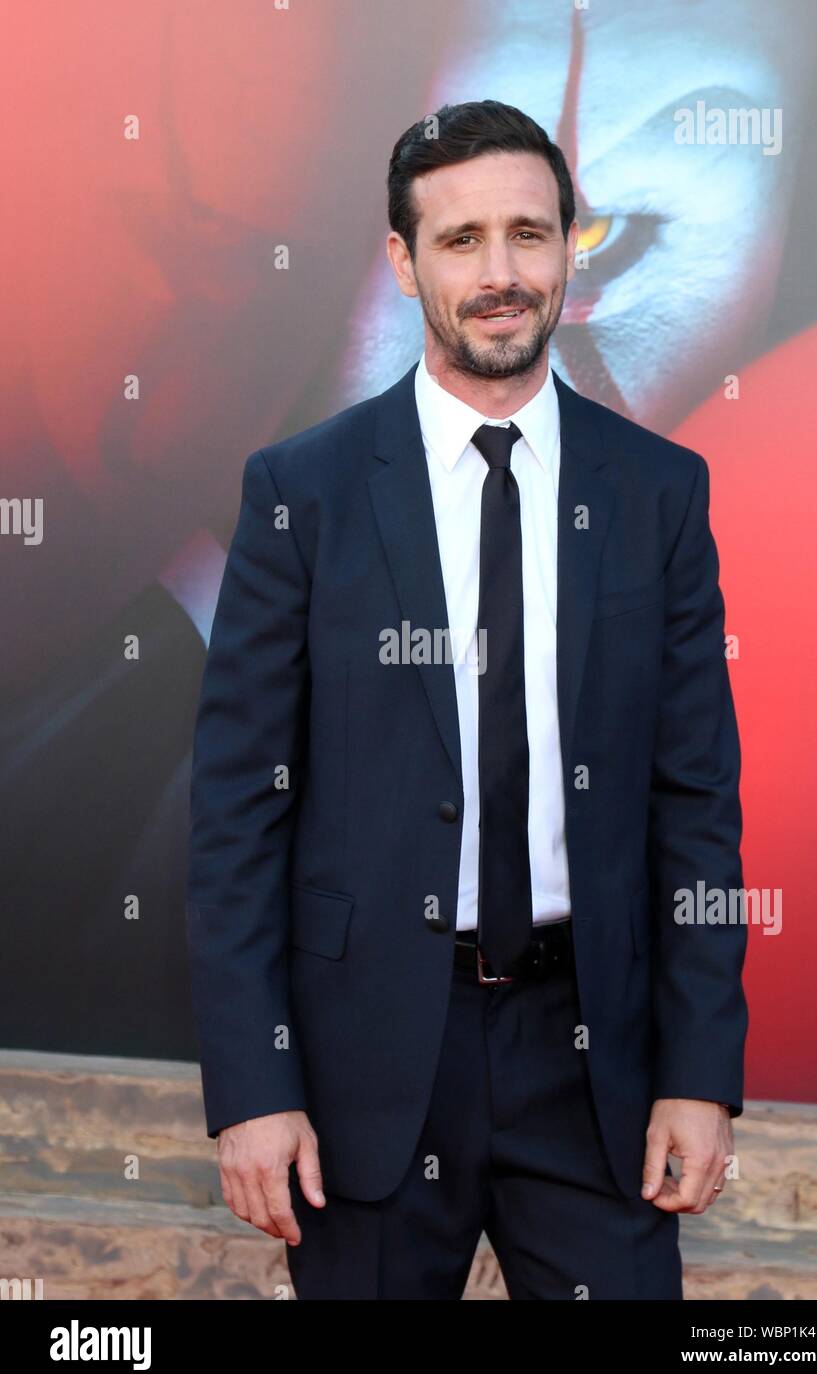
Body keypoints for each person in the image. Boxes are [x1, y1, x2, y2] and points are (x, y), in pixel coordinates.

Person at [185, 99, 748, 1300]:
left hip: (590, 1056)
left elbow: (693, 801)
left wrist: (698, 1074)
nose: (502, 275)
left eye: (531, 235)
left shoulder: (656, 493)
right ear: (401, 261)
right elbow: (236, 814)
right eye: (460, 241)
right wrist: (253, 1087)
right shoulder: (303, 492)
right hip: (365, 1063)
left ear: (566, 245)